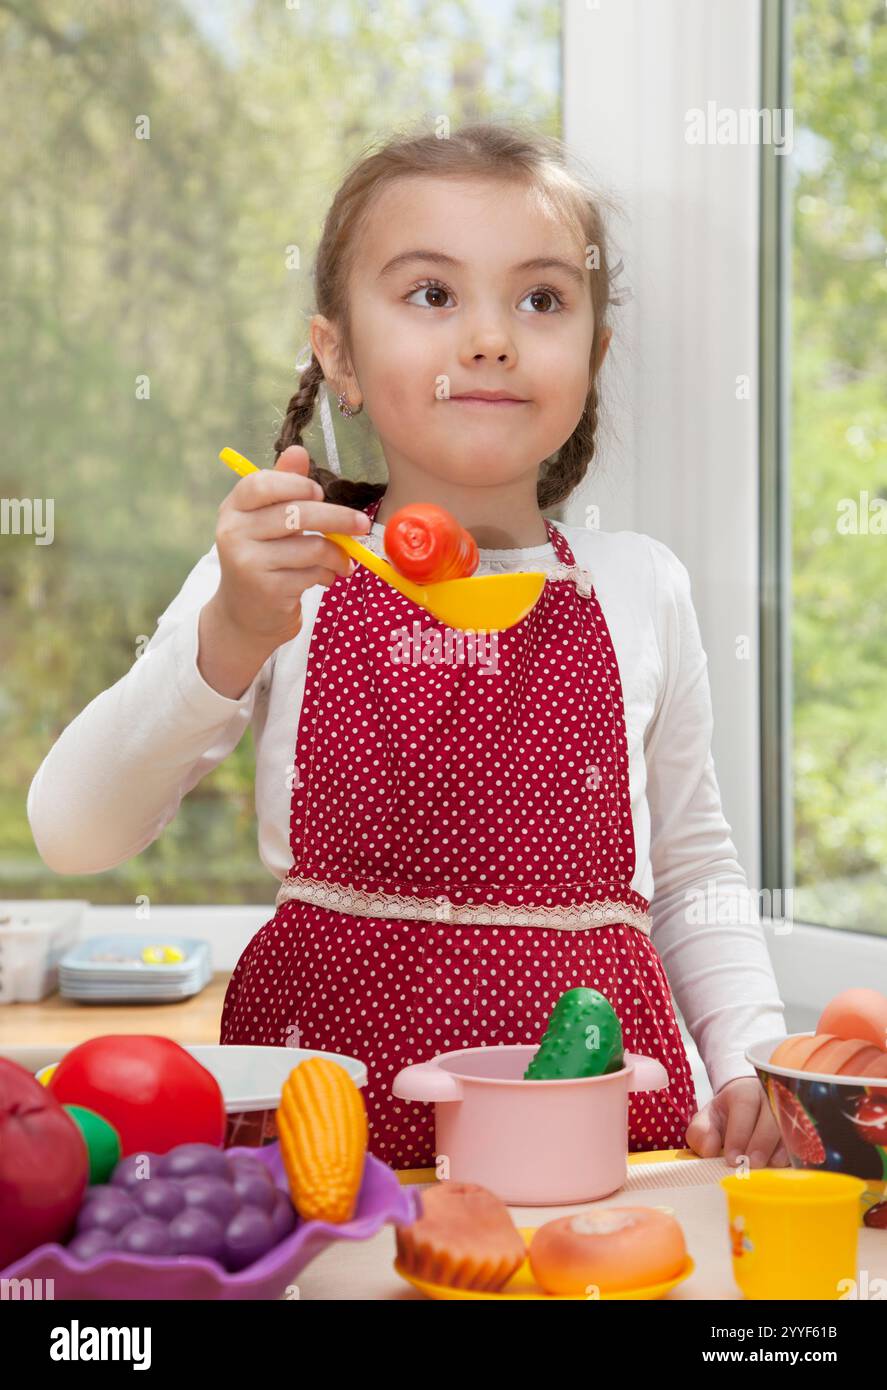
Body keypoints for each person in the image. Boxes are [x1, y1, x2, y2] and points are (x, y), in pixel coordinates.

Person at [28, 120, 788, 1170]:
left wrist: (750, 1057)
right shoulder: (281, 573)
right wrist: (231, 636)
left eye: (541, 299)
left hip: (598, 1159)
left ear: (591, 355)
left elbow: (694, 869)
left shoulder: (639, 585)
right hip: (324, 1169)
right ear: (336, 352)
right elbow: (72, 831)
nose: (490, 337)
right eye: (432, 294)